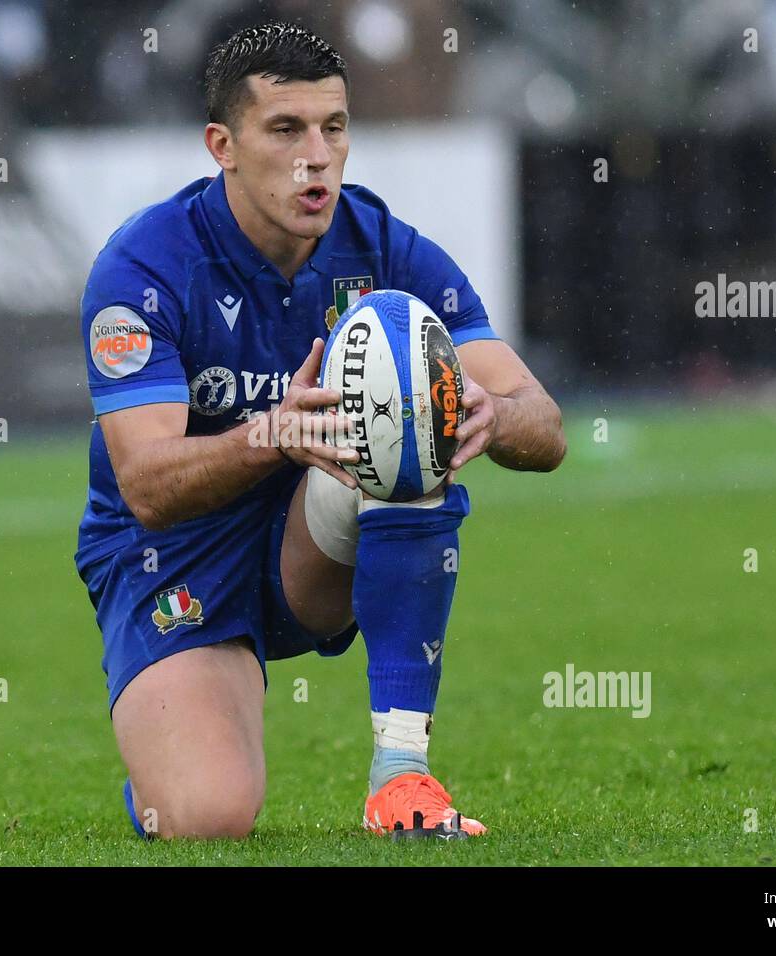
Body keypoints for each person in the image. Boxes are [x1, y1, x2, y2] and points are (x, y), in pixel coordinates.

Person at [75, 21, 565, 840]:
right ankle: (170, 748)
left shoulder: (386, 250)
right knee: (205, 818)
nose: (317, 156)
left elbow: (545, 426)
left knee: (412, 414)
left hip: (311, 544)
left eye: (333, 128)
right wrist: (270, 437)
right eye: (285, 130)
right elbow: (148, 487)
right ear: (221, 145)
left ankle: (402, 776)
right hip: (171, 557)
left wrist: (492, 414)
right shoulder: (144, 267)